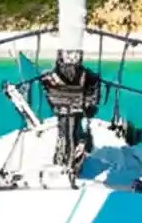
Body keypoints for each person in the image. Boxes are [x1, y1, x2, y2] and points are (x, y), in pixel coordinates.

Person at [40, 49, 102, 177]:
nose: (72, 58)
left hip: (78, 113)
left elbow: (93, 94)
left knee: (75, 129)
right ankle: (66, 157)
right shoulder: (51, 76)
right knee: (67, 129)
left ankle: (72, 158)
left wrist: (88, 104)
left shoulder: (88, 76)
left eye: (76, 54)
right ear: (61, 55)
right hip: (66, 112)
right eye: (68, 54)